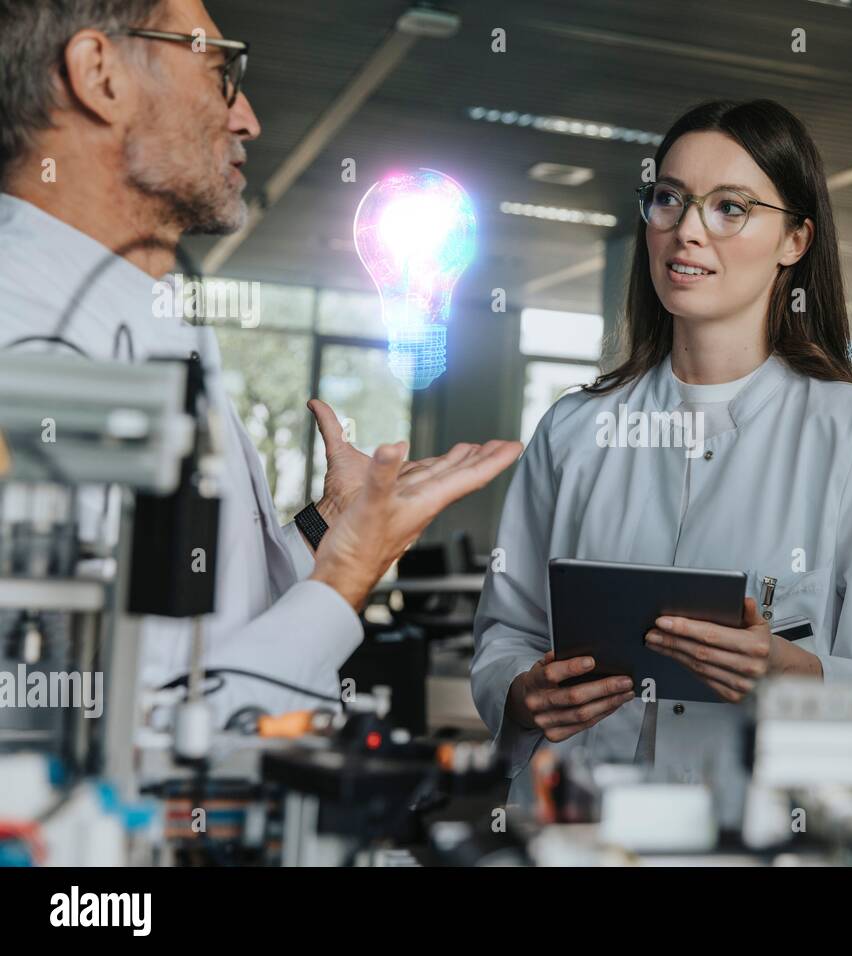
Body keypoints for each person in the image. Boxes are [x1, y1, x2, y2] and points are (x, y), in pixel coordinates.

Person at [0, 0, 521, 721]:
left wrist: (328, 530)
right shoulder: (23, 328)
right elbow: (114, 723)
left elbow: (196, 626)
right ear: (100, 76)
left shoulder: (151, 310)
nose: (247, 117)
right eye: (220, 71)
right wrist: (346, 577)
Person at [472, 99, 852, 812]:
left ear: (795, 240)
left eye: (730, 208)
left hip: (758, 833)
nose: (686, 230)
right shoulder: (574, 428)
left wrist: (793, 671)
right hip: (576, 830)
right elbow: (509, 631)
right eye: (670, 200)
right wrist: (521, 693)